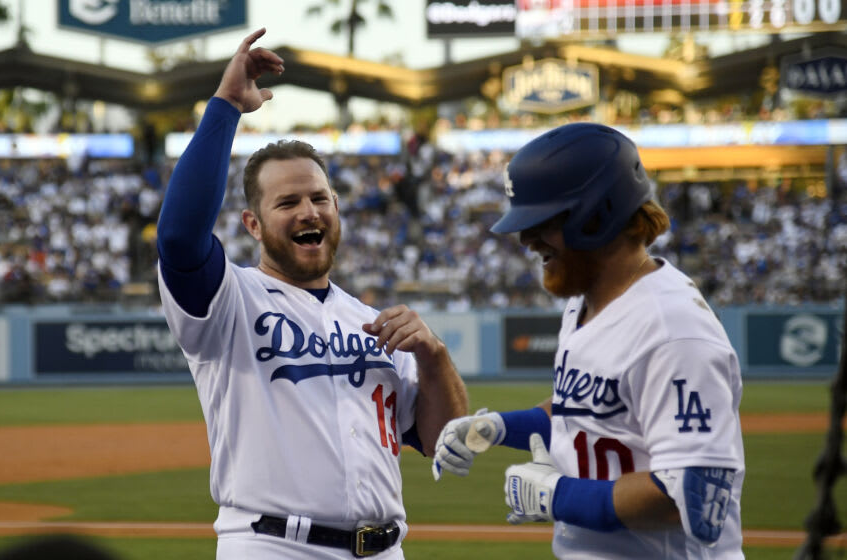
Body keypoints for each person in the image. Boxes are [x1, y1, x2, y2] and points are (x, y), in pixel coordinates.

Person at [156, 28, 468, 559]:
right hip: (274, 546)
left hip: (384, 549)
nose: (309, 211)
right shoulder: (228, 302)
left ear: (337, 210)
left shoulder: (370, 321)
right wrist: (227, 105)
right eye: (288, 202)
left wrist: (435, 358)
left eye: (320, 198)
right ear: (253, 224)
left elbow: (449, 446)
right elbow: (180, 237)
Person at [432, 123, 745, 559]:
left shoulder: (674, 329)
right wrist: (499, 427)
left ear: (597, 215)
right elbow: (583, 415)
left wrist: (557, 496)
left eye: (541, 222)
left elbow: (693, 496)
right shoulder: (587, 300)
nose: (526, 240)